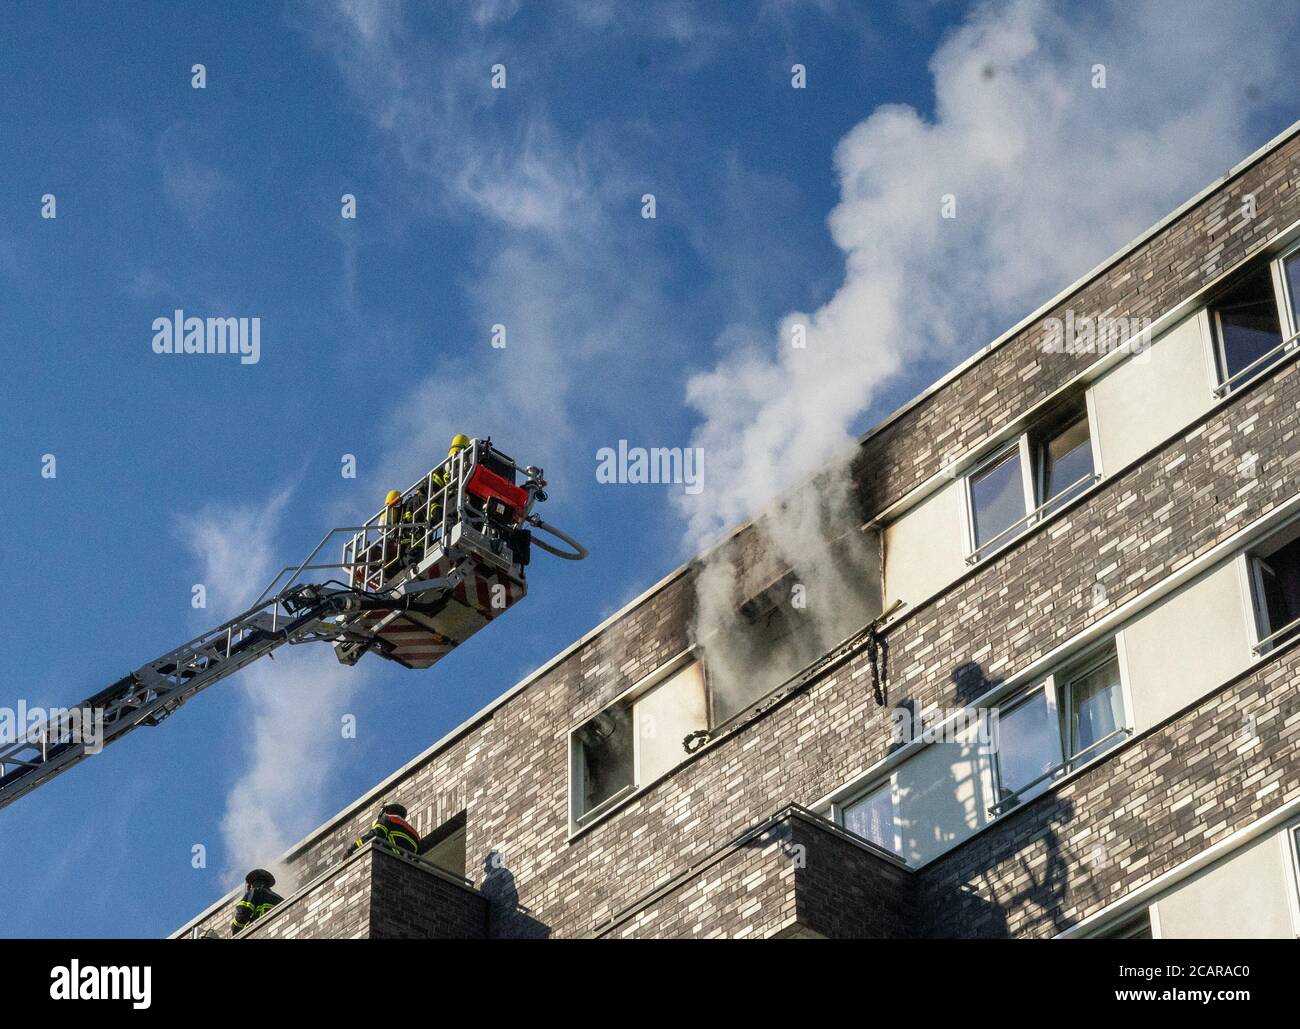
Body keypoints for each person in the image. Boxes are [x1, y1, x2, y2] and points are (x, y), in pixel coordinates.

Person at [349, 802, 422, 857]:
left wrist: (353, 848)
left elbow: (375, 835)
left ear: (386, 811)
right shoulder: (415, 834)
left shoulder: (388, 819)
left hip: (388, 858)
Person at [230, 868, 283, 936]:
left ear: (252, 884)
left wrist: (234, 929)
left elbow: (243, 913)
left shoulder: (254, 892)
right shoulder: (279, 898)